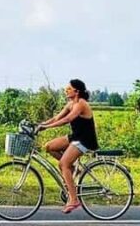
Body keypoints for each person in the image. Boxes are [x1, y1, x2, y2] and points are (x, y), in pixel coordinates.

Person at [37, 79, 99, 214]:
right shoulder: (71, 104)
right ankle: (72, 169)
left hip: (85, 140)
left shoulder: (81, 104)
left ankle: (74, 199)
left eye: (68, 89)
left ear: (76, 91)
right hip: (75, 137)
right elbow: (56, 118)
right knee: (49, 147)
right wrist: (41, 125)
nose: (66, 90)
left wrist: (47, 127)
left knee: (63, 164)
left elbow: (67, 119)